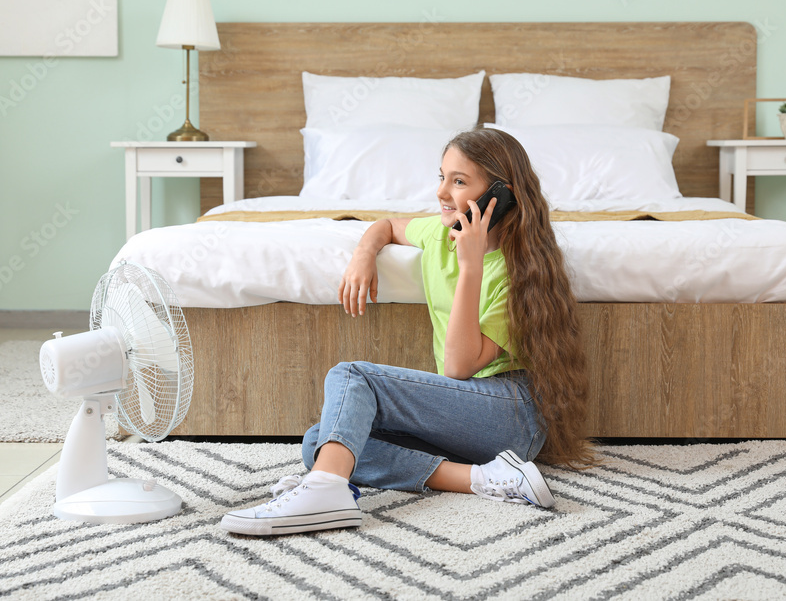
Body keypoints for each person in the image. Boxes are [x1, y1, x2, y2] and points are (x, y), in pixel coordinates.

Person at [221, 127, 595, 537]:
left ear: (499, 195)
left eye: (459, 181)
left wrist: (470, 266)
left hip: (511, 414)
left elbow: (457, 367)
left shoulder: (516, 272)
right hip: (470, 427)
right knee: (322, 442)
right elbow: (386, 225)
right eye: (441, 177)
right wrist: (364, 254)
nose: (441, 192)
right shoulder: (438, 235)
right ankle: (485, 479)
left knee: (352, 376)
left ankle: (326, 492)